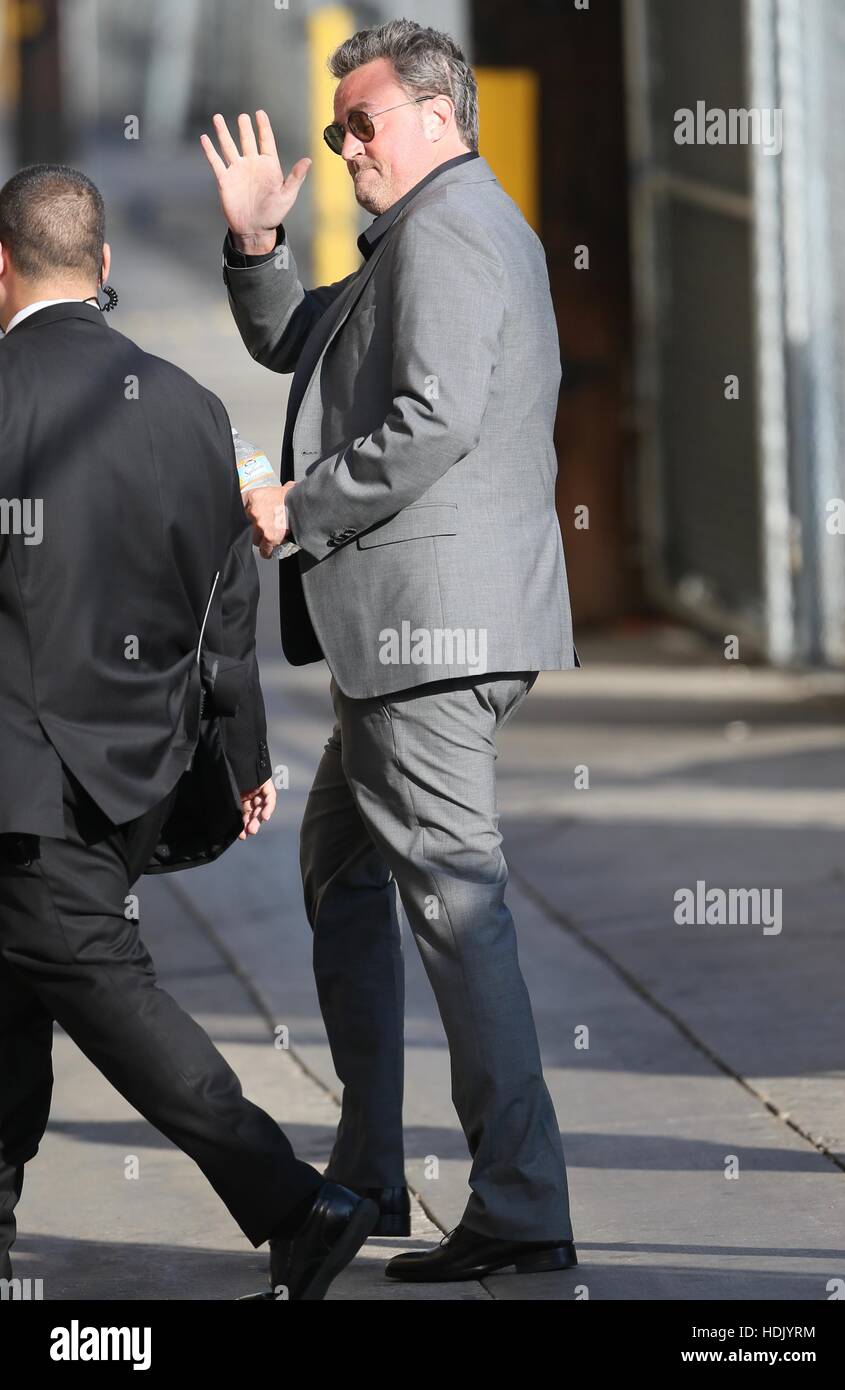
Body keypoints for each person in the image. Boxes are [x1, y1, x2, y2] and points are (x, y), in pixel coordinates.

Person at [202, 17, 579, 1283]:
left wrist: (294, 506)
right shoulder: (417, 237)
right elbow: (291, 341)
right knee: (344, 877)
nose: (344, 144)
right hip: (409, 636)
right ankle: (368, 1173)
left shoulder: (456, 229)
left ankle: (517, 1202)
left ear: (436, 112)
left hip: (433, 631)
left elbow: (433, 419)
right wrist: (254, 239)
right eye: (335, 127)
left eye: (360, 120)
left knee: (457, 910)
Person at [0, 164, 377, 1301]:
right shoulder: (189, 407)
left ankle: (296, 1201)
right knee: (15, 995)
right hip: (130, 772)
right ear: (104, 266)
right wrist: (241, 750)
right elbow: (229, 601)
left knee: (104, 988)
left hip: (25, 774)